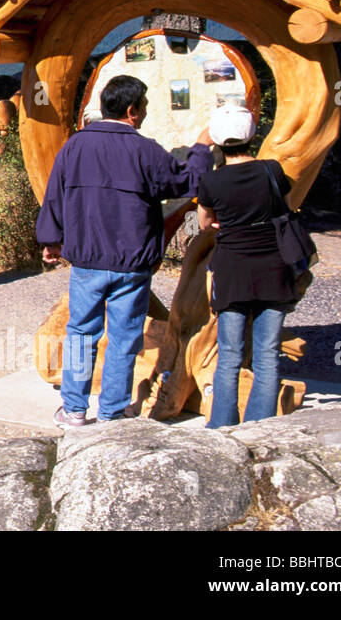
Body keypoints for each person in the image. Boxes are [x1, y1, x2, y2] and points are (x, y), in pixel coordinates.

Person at [36, 74, 214, 427]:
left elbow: (55, 195)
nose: (145, 113)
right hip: (132, 261)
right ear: (132, 111)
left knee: (81, 332)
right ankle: (113, 411)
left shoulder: (75, 147)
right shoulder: (144, 150)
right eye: (144, 106)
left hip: (87, 258)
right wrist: (202, 149)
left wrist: (51, 240)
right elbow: (185, 181)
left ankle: (73, 409)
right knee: (124, 336)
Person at [197, 106, 297, 427]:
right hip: (273, 266)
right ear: (252, 136)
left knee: (229, 356)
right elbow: (286, 205)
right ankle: (260, 429)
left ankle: (222, 426)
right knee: (267, 354)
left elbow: (205, 223)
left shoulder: (211, 182)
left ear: (217, 142)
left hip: (232, 269)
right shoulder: (272, 170)